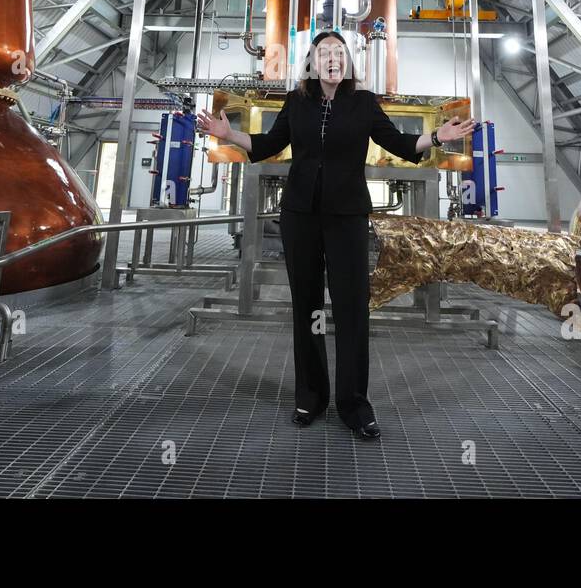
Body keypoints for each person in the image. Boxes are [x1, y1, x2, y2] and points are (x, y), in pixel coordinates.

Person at [197, 30, 476, 440]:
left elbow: (398, 143)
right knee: (307, 307)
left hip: (347, 217)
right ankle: (310, 397)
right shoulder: (297, 102)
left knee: (351, 309)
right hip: (300, 216)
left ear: (347, 63)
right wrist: (229, 136)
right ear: (312, 63)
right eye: (324, 52)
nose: (333, 59)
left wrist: (437, 137)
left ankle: (354, 404)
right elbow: (269, 144)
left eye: (339, 53)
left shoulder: (363, 103)